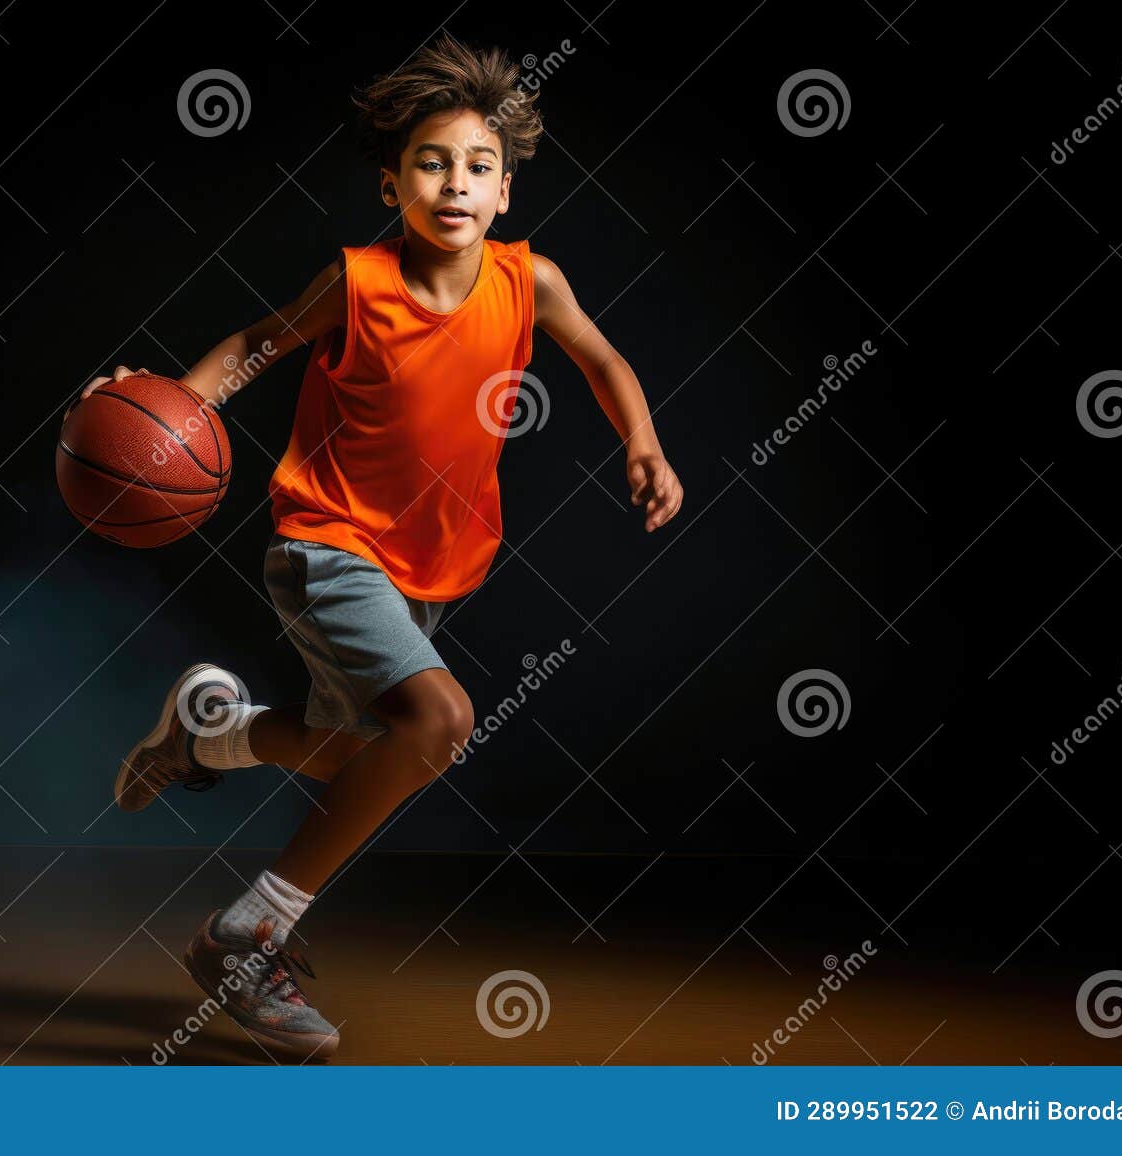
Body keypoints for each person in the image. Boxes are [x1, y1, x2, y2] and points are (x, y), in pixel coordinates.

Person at [85, 32, 683, 1061]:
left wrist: (643, 440)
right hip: (323, 545)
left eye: (477, 166)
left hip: (432, 569)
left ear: (504, 193)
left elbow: (602, 354)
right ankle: (249, 931)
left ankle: (208, 730)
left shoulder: (527, 281)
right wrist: (174, 410)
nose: (455, 183)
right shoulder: (358, 282)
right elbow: (255, 343)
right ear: (391, 183)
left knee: (362, 757)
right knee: (440, 720)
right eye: (431, 163)